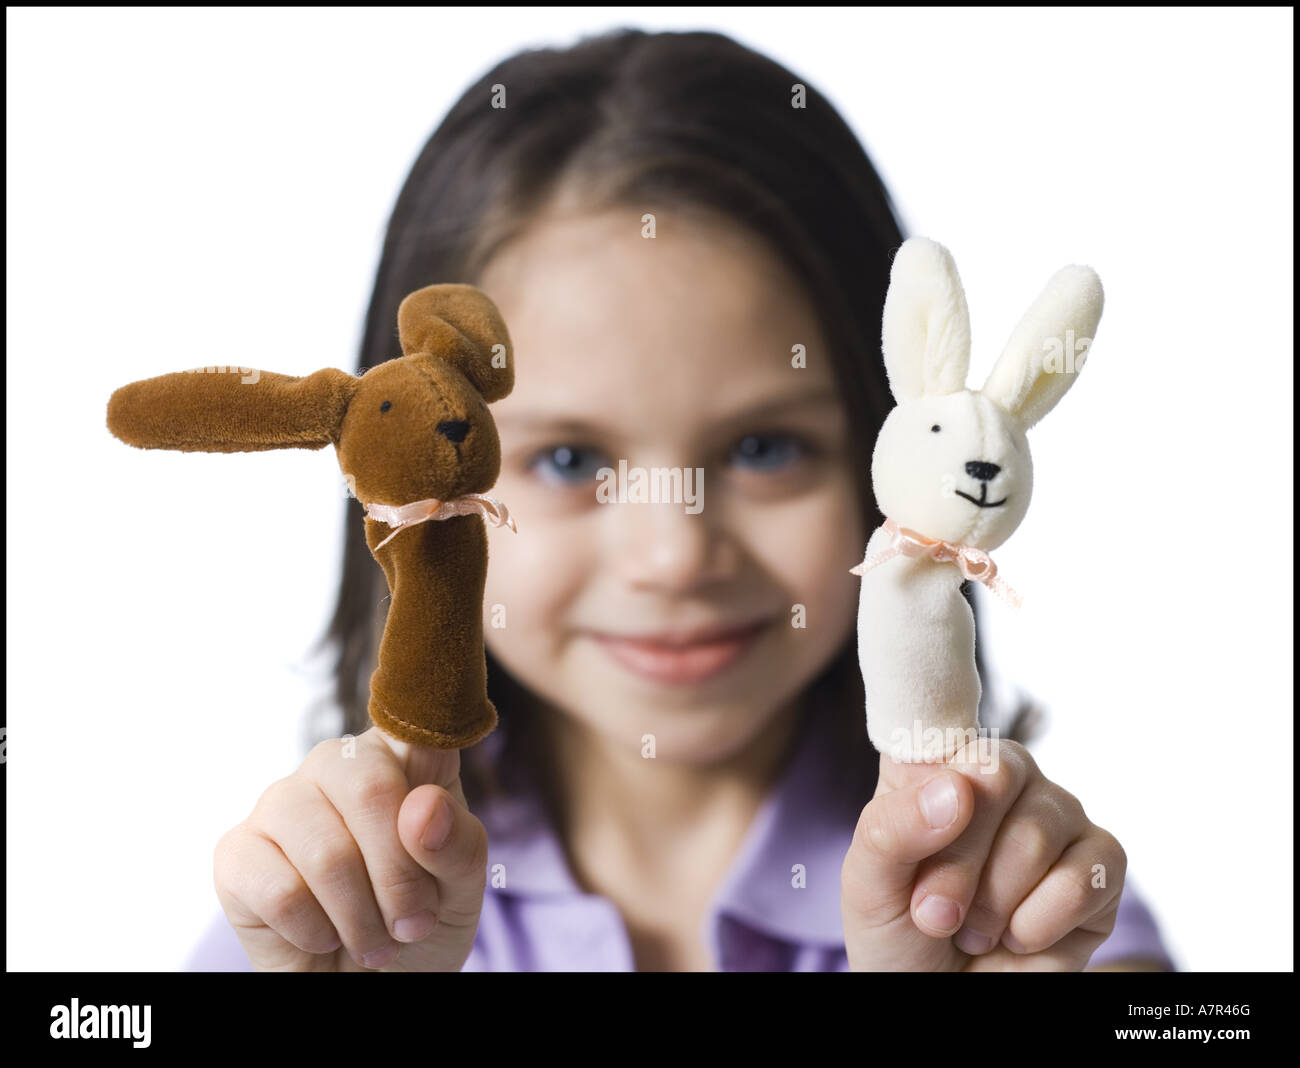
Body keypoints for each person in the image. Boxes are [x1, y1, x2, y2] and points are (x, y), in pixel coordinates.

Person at [191, 28, 1175, 972]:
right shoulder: (314, 926)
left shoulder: (1034, 919)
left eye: (761, 447)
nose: (672, 556)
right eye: (572, 460)